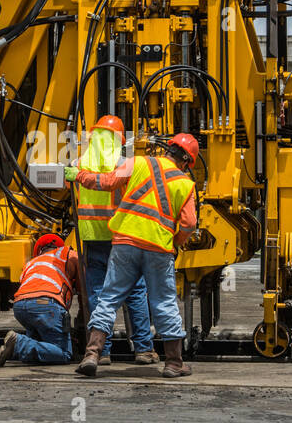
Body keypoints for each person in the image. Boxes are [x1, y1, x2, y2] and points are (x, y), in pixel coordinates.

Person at [66, 133, 199, 379]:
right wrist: (176, 241)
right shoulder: (185, 183)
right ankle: (173, 363)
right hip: (158, 248)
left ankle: (93, 354)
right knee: (164, 302)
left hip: (125, 243)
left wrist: (80, 176)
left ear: (167, 149)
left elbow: (107, 182)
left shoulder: (137, 162)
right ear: (186, 163)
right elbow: (190, 223)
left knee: (108, 298)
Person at [74, 115, 156, 366]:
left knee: (99, 295)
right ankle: (142, 349)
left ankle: (103, 351)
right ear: (119, 141)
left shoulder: (78, 166)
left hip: (91, 238)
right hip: (121, 238)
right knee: (135, 291)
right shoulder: (125, 165)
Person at [0, 233, 81, 366]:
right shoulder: (67, 253)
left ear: (39, 250)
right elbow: (84, 286)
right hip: (46, 304)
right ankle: (19, 344)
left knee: (38, 350)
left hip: (20, 307)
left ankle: (12, 350)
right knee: (64, 353)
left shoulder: (30, 263)